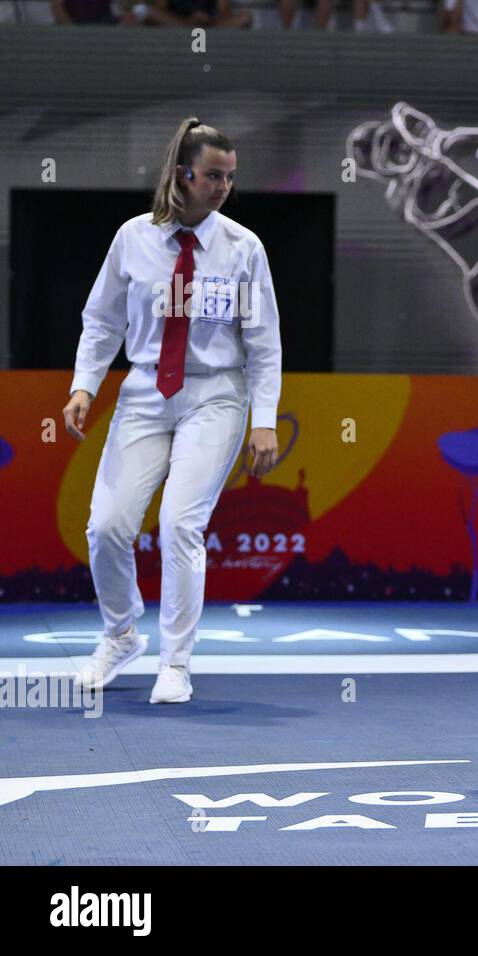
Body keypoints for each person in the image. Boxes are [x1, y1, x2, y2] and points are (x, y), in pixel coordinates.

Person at [64, 118, 282, 704]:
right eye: (213, 175)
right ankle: (119, 635)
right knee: (106, 525)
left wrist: (265, 418)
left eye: (230, 177)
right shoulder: (132, 238)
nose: (223, 187)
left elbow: (264, 342)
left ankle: (176, 664)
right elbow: (103, 319)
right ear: (182, 174)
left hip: (216, 395)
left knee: (182, 523)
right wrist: (85, 385)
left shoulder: (243, 248)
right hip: (143, 393)